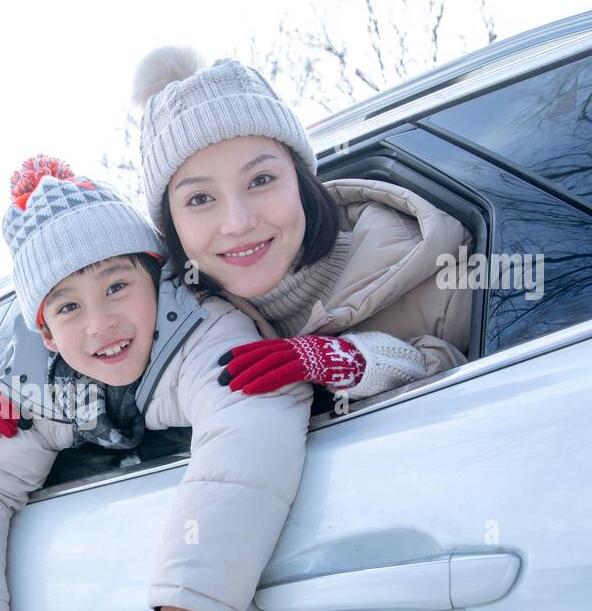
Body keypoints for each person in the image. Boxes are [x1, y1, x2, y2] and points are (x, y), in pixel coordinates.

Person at [0, 154, 312, 611]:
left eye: (117, 286)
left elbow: (247, 439)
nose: (101, 322)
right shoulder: (45, 387)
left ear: (158, 282)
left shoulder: (204, 335)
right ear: (47, 337)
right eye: (68, 308)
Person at [133, 47, 471, 403]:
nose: (237, 223)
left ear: (301, 181)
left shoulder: (444, 280)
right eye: (200, 199)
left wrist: (361, 363)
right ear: (172, 224)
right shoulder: (170, 339)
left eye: (261, 180)